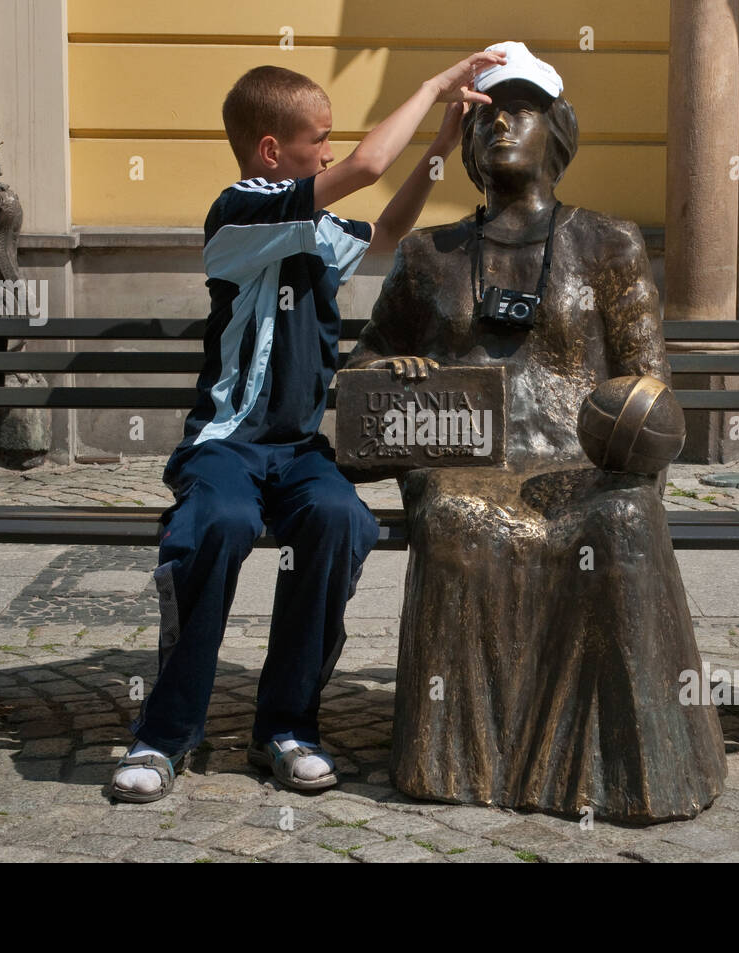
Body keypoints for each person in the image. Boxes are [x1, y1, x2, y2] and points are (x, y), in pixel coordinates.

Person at [111, 49, 508, 802]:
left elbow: (387, 233)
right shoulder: (239, 214)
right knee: (218, 524)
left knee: (339, 519)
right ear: (272, 152)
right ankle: (164, 735)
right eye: (317, 138)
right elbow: (363, 167)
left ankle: (286, 727)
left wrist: (438, 149)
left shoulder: (315, 230)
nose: (328, 150)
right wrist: (429, 86)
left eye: (329, 138)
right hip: (225, 444)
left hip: (296, 452)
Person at [345, 42, 727, 823]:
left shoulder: (609, 243)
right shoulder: (428, 255)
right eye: (485, 113)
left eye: (523, 108)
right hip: (462, 458)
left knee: (622, 516)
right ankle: (461, 763)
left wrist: (641, 435)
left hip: (583, 460)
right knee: (457, 515)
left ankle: (636, 769)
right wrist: (401, 371)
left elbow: (650, 382)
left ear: (560, 129)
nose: (502, 125)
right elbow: (365, 365)